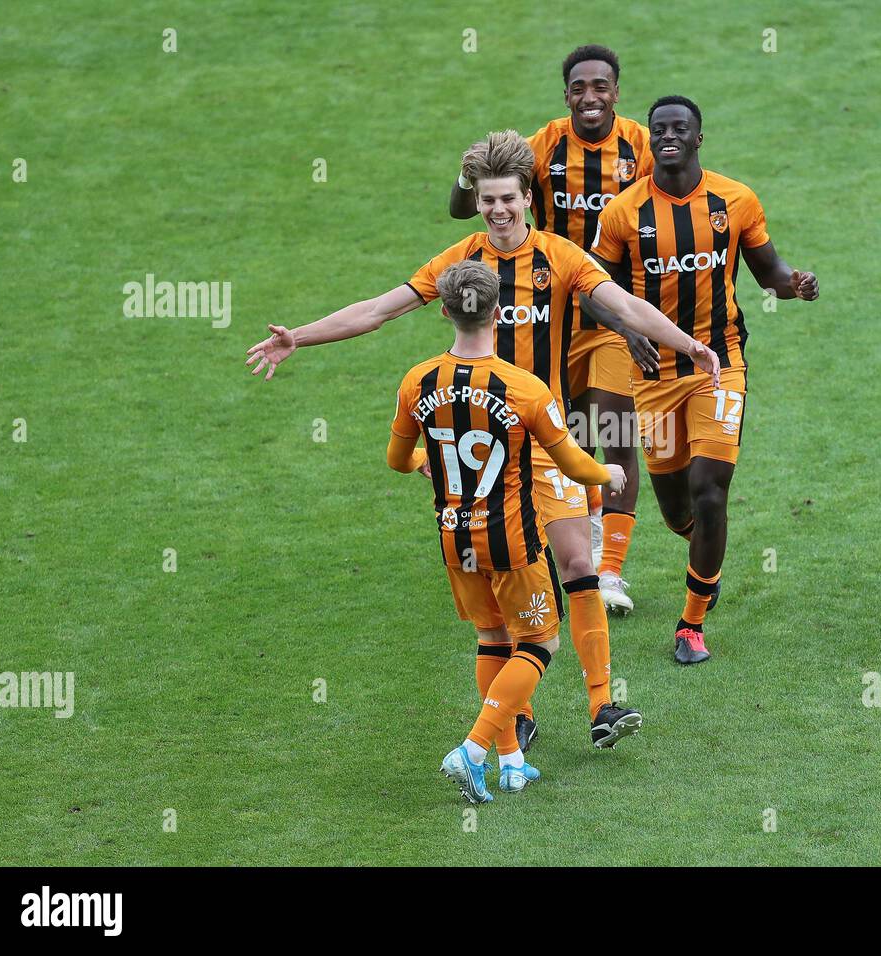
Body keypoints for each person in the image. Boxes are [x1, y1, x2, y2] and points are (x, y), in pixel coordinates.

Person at [245, 130, 719, 744]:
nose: (497, 210)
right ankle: (513, 723)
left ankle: (601, 707)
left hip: (546, 446)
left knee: (578, 565)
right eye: (487, 200)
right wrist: (298, 337)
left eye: (507, 200)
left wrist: (689, 345)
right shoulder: (461, 262)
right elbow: (379, 309)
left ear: (528, 197)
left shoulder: (562, 259)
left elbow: (627, 308)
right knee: (497, 615)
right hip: (489, 462)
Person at [388, 259, 626, 802]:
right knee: (540, 643)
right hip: (511, 540)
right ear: (500, 313)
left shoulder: (416, 381)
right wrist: (607, 472)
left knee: (492, 639)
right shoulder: (524, 387)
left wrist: (429, 458)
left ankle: (511, 761)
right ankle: (471, 749)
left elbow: (398, 459)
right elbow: (571, 465)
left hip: (454, 539)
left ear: (445, 311)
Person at [592, 96, 819, 665]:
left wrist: (797, 285)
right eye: (658, 129)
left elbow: (770, 274)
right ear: (650, 140)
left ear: (699, 137)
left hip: (718, 364)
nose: (668, 135)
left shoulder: (735, 200)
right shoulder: (622, 213)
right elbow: (596, 293)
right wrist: (626, 329)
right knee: (677, 511)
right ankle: (706, 559)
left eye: (680, 128)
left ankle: (691, 623)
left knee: (710, 490)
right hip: (653, 375)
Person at [450, 45, 652, 614]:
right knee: (571, 438)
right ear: (566, 94)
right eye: (579, 87)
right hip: (553, 314)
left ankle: (609, 570)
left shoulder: (640, 145)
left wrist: (645, 318)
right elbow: (463, 209)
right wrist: (466, 175)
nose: (590, 97)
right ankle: (570, 554)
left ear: (617, 92)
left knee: (614, 428)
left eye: (601, 87)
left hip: (616, 314)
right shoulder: (543, 146)